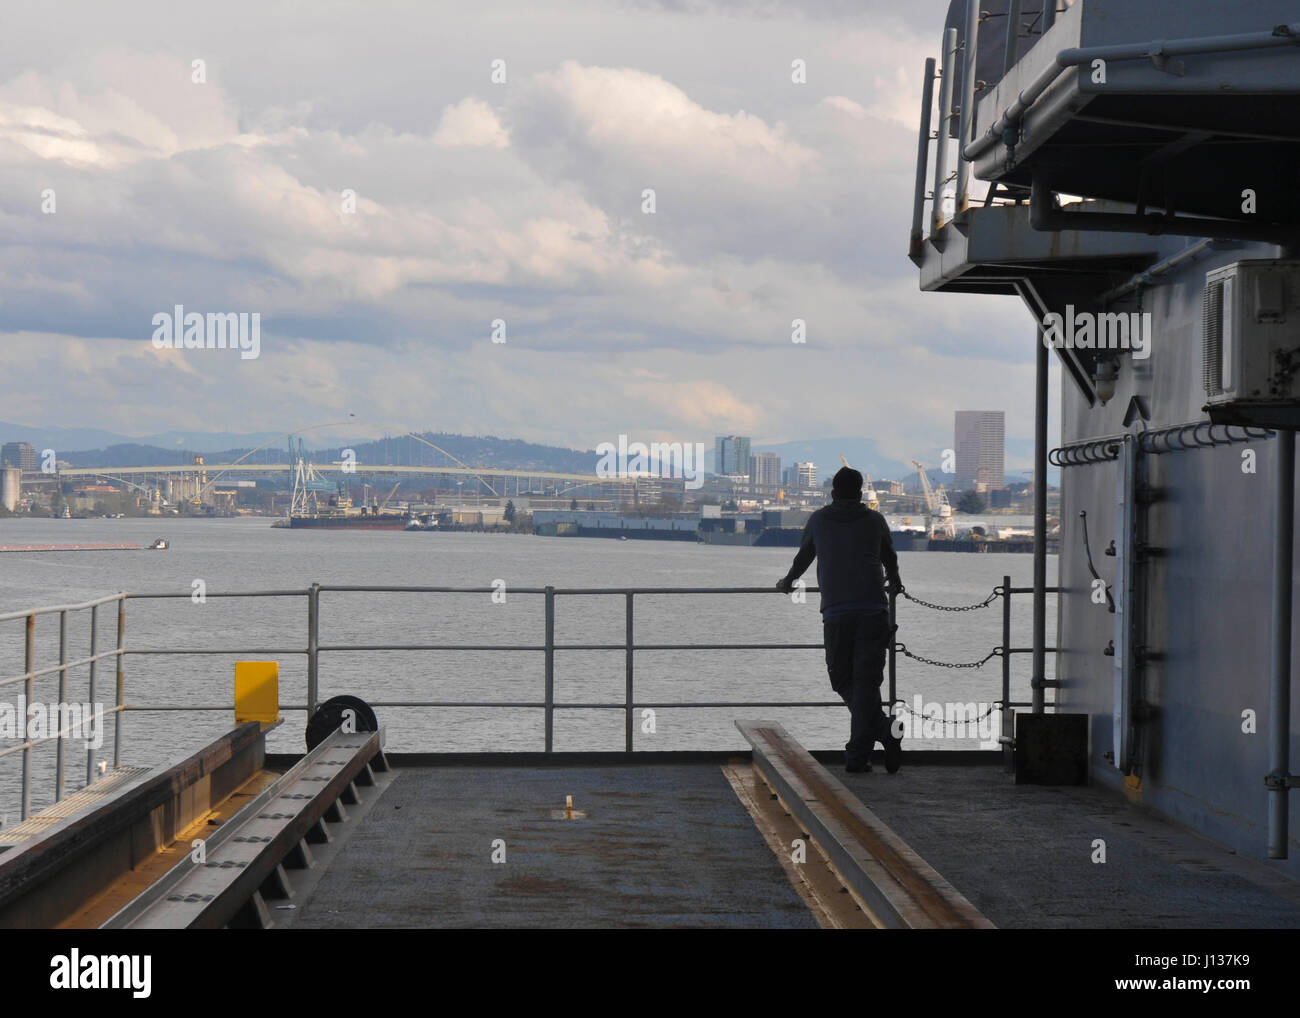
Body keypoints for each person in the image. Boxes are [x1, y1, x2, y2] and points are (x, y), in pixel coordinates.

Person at [776, 467, 903, 773]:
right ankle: (882, 732)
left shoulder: (819, 519)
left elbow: (804, 556)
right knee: (866, 682)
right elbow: (890, 557)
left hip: (837, 611)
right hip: (874, 609)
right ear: (861, 494)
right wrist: (895, 580)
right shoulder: (875, 520)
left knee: (843, 680)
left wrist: (789, 580)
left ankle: (859, 755)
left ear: (832, 493)